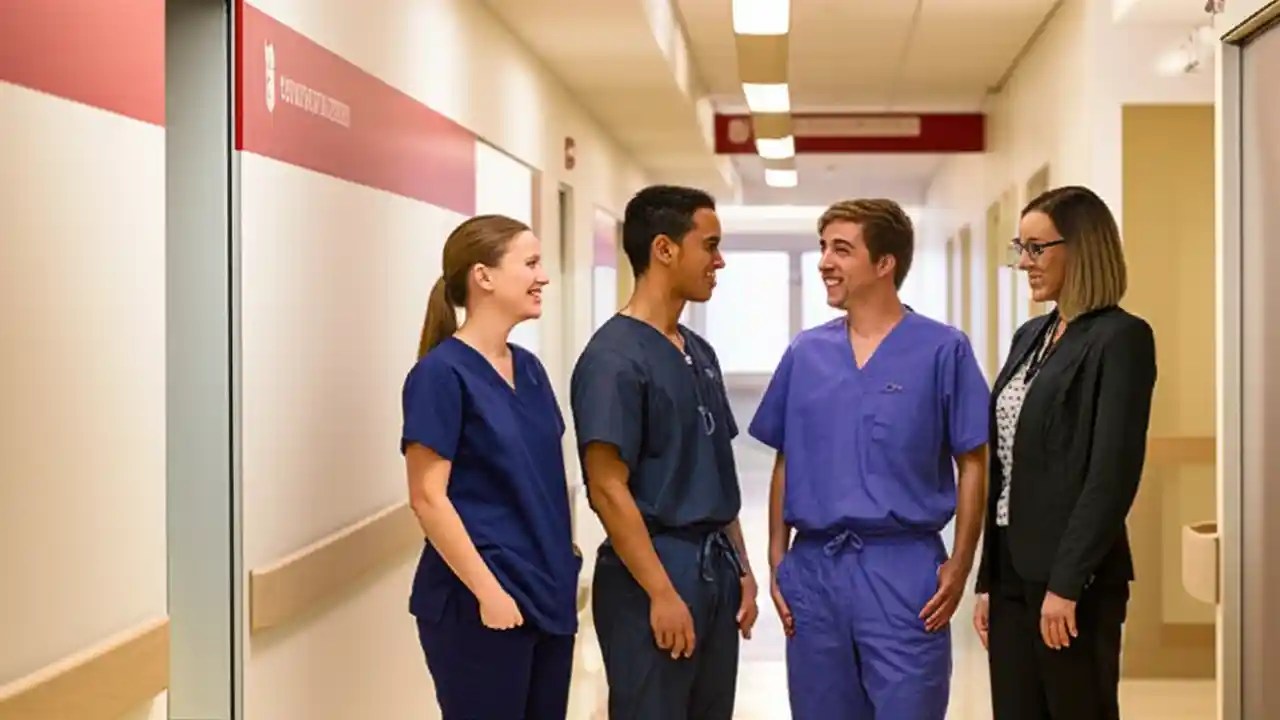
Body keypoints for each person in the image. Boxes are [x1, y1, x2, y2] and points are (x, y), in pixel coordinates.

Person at [748, 198, 990, 720]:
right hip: (815, 569)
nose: (824, 262)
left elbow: (974, 459)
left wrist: (962, 560)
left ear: (885, 264)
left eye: (842, 249)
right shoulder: (806, 352)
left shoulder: (942, 349)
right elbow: (786, 457)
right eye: (822, 248)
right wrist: (776, 557)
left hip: (903, 568)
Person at [569, 185, 758, 720]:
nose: (718, 261)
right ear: (665, 249)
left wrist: (741, 568)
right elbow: (607, 488)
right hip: (652, 571)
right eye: (710, 245)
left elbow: (716, 469)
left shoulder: (699, 353)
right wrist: (661, 591)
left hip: (713, 567)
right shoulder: (613, 359)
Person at [972, 186, 1156, 720]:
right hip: (1011, 572)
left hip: (1072, 581)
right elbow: (1005, 466)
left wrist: (1066, 583)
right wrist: (989, 579)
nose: (1024, 263)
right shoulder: (1031, 334)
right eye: (1019, 248)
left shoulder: (1121, 339)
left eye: (1036, 248)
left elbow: (1111, 474)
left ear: (1082, 248)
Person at [399, 214, 582, 720]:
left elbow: (543, 476)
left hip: (547, 592)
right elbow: (427, 498)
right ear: (483, 276)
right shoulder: (440, 375)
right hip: (478, 602)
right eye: (530, 263)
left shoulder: (530, 369)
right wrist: (489, 592)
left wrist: (563, 561)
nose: (543, 276)